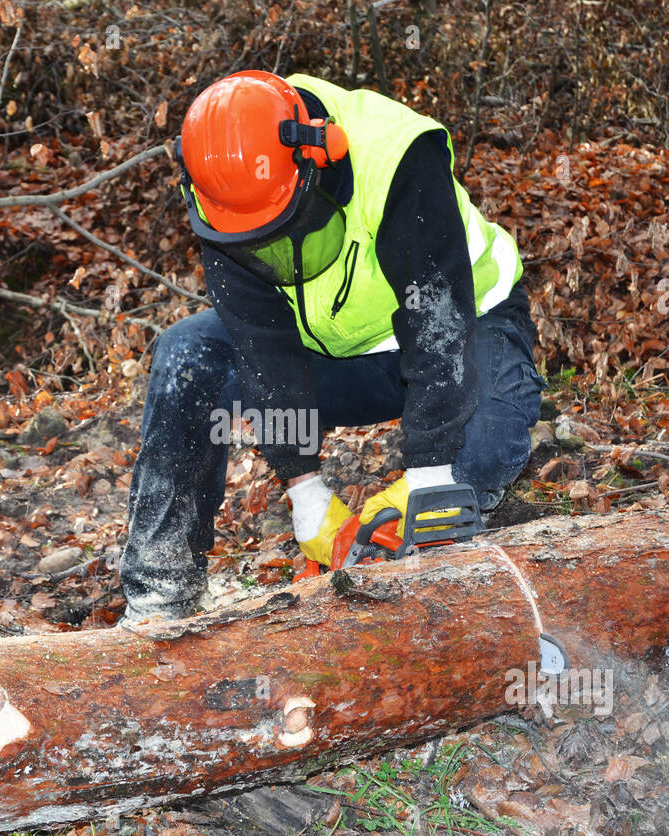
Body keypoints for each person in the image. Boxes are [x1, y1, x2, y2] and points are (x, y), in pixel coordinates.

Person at [119, 70, 544, 626]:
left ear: (317, 161)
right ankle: (160, 597)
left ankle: (427, 563)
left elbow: (436, 320)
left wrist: (427, 473)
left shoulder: (396, 156)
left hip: (465, 327)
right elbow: (263, 346)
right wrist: (304, 490)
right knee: (188, 357)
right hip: (331, 355)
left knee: (486, 448)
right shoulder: (221, 192)